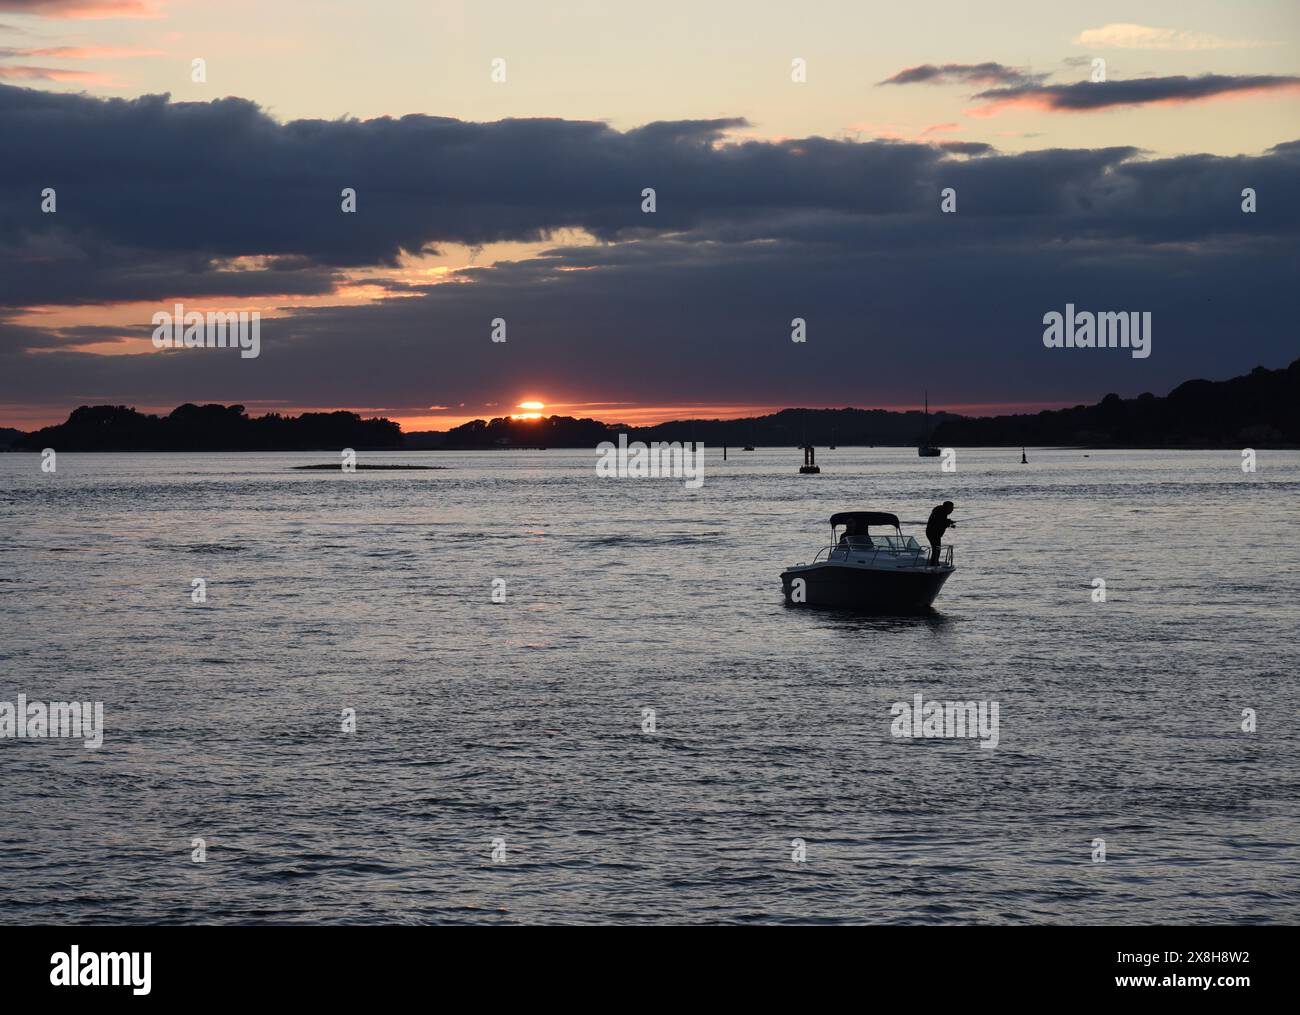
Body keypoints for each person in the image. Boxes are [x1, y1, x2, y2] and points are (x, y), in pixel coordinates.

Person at [926, 501, 956, 566]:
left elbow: (942, 521)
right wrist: (948, 523)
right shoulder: (941, 512)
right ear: (947, 507)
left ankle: (934, 562)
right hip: (933, 533)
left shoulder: (941, 512)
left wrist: (949, 523)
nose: (952, 510)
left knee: (936, 549)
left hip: (933, 533)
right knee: (936, 549)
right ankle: (934, 563)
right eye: (951, 508)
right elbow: (940, 523)